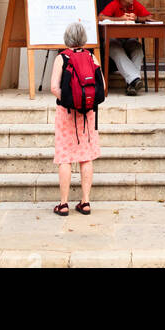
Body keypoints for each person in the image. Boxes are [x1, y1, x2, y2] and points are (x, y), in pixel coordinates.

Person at [50, 20, 101, 215]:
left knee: (65, 157)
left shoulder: (62, 58)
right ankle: (85, 202)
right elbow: (101, 86)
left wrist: (70, 100)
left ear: (67, 38)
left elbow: (54, 87)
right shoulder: (91, 57)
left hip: (66, 113)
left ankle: (63, 204)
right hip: (88, 113)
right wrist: (84, 102)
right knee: (86, 157)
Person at [99, 0, 150, 95]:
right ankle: (135, 81)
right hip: (114, 39)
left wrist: (136, 18)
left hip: (130, 39)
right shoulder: (114, 4)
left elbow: (149, 17)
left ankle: (132, 83)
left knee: (138, 49)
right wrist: (120, 19)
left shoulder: (135, 4)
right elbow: (100, 17)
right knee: (115, 48)